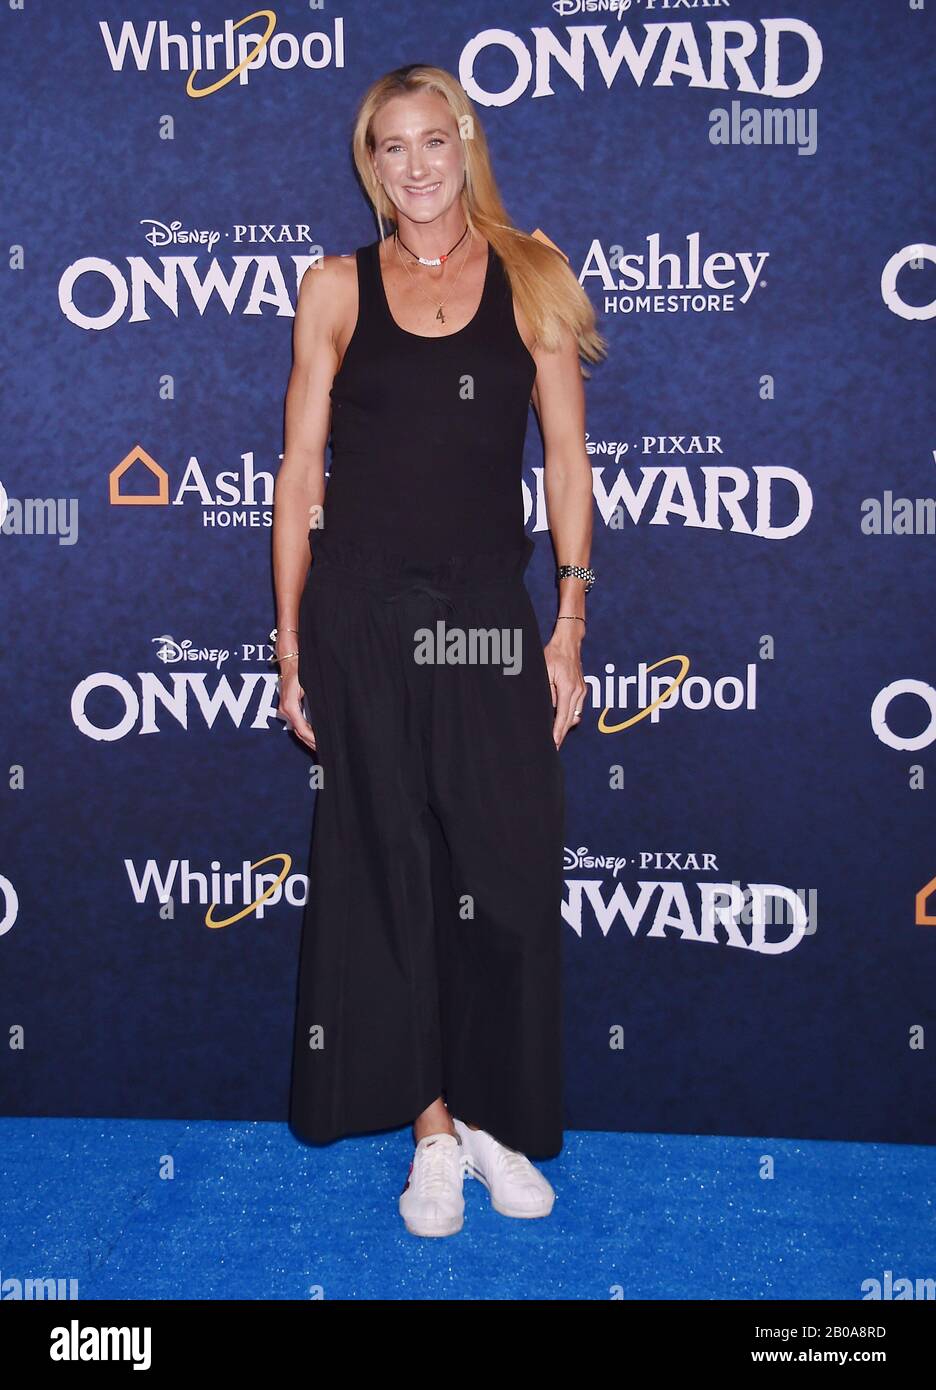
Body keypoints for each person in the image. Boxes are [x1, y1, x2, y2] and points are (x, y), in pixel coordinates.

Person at [272, 64, 605, 1238]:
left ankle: (491, 1119)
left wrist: (568, 620)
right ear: (370, 165)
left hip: (484, 619)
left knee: (504, 874)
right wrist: (288, 637)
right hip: (362, 613)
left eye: (432, 140)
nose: (414, 166)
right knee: (393, 875)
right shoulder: (332, 287)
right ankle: (429, 1135)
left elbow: (565, 461)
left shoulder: (532, 275)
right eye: (389, 148)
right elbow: (299, 475)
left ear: (466, 142)